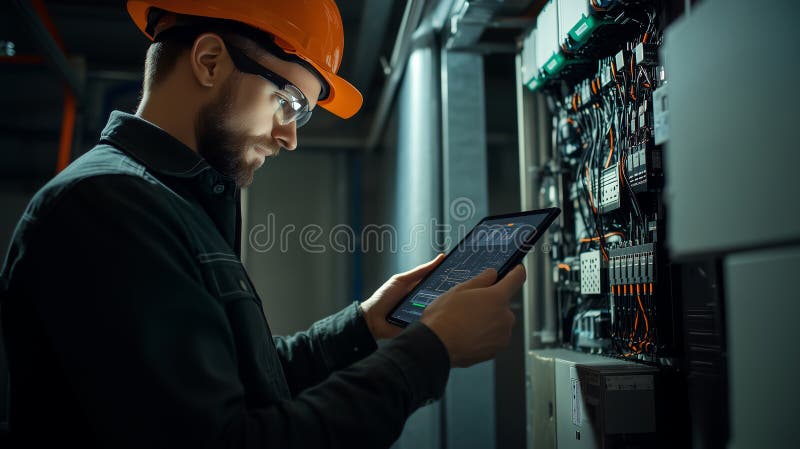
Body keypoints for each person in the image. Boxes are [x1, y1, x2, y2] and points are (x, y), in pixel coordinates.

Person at [0, 1, 525, 447]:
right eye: (288, 102)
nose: (290, 137)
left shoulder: (170, 204)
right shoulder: (107, 208)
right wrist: (431, 350)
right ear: (209, 60)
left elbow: (236, 380)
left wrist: (364, 325)